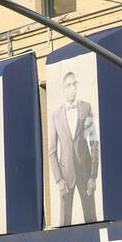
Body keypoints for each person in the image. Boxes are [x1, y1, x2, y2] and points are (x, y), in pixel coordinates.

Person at [48, 69, 100, 226]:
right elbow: (52, 151)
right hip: (65, 176)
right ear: (64, 88)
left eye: (74, 84)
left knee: (92, 221)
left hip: (85, 173)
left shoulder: (86, 108)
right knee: (64, 224)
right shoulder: (55, 116)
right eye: (69, 85)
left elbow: (94, 143)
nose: (73, 88)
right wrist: (59, 179)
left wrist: (93, 176)